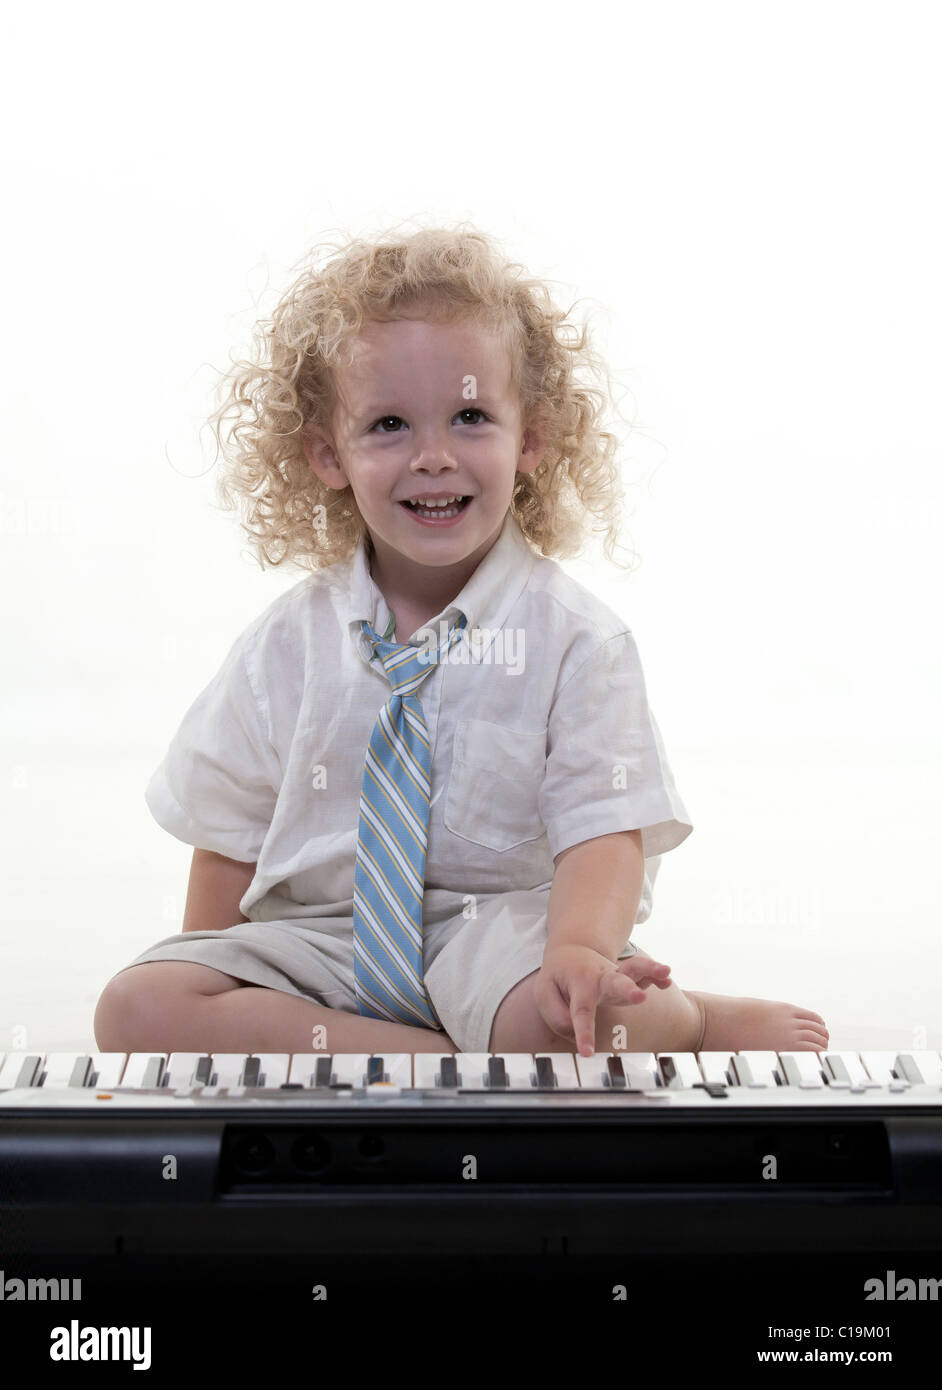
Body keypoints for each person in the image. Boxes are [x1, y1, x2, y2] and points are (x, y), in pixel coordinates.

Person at [94, 224, 828, 1062]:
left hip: (503, 945)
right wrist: (213, 987)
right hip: (325, 941)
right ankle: (435, 1059)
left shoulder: (576, 640)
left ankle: (692, 1020)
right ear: (328, 455)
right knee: (136, 1010)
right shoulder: (285, 645)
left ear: (534, 440)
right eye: (389, 426)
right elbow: (228, 833)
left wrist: (580, 952)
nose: (434, 457)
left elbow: (604, 830)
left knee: (581, 1022)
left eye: (471, 417)